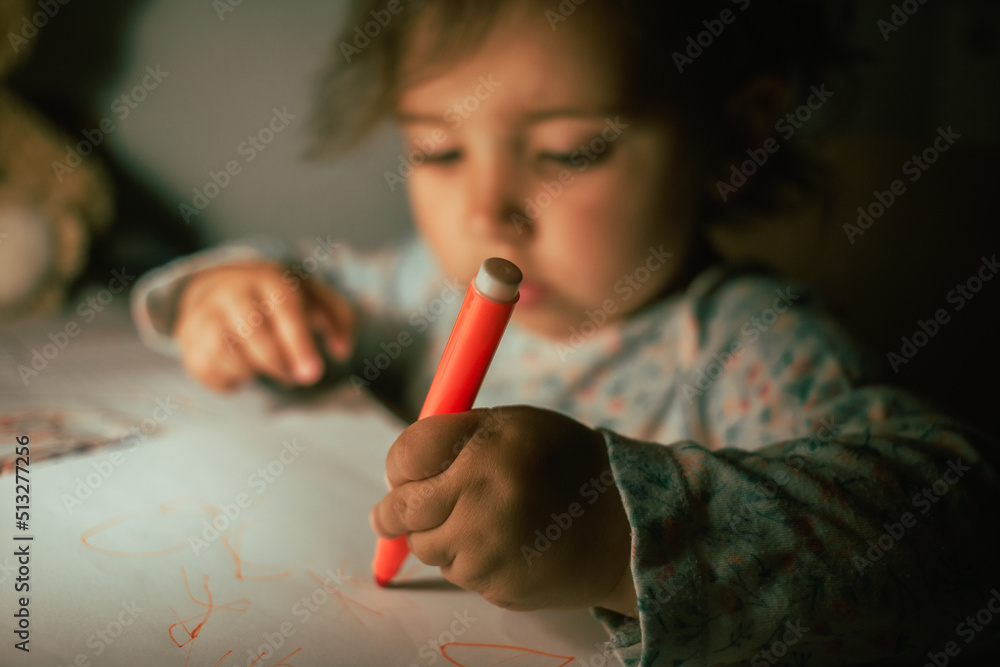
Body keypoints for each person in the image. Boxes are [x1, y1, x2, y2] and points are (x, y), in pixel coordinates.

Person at [131, 0, 1000, 664]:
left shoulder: (750, 344)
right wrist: (236, 293)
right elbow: (308, 278)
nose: (486, 211)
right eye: (437, 150)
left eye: (570, 152)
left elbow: (954, 516)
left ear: (733, 139)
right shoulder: (421, 287)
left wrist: (622, 532)